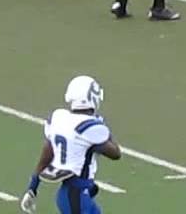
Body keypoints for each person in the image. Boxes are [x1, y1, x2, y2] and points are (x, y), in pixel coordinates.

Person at [20, 76, 121, 214]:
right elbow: (115, 153)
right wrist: (103, 127)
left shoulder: (59, 118)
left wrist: (33, 186)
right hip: (76, 196)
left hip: (73, 194)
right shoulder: (90, 126)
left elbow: (47, 152)